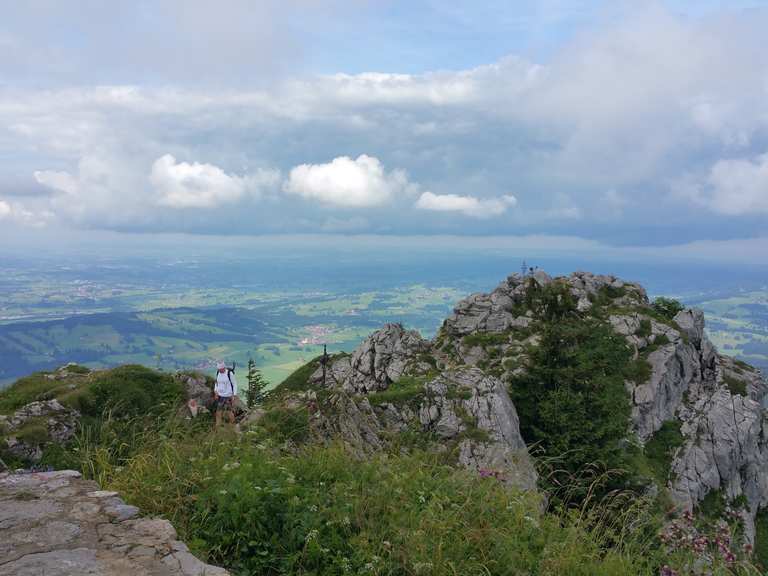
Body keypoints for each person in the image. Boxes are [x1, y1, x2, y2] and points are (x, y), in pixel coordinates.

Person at [214, 361, 237, 428]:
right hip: (220, 396)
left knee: (229, 411)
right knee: (218, 411)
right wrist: (215, 392)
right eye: (219, 369)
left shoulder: (229, 373)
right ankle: (218, 425)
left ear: (224, 367)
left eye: (221, 369)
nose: (220, 370)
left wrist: (234, 395)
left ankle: (232, 425)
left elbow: (234, 384)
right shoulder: (218, 373)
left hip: (228, 396)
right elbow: (216, 383)